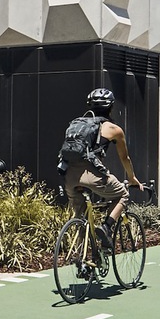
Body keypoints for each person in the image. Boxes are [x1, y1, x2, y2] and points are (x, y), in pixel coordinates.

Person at [59, 87, 144, 222]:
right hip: (93, 176)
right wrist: (132, 178)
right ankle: (106, 229)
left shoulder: (76, 124)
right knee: (122, 195)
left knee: (81, 218)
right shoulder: (113, 129)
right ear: (111, 107)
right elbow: (124, 158)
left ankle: (80, 242)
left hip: (69, 177)